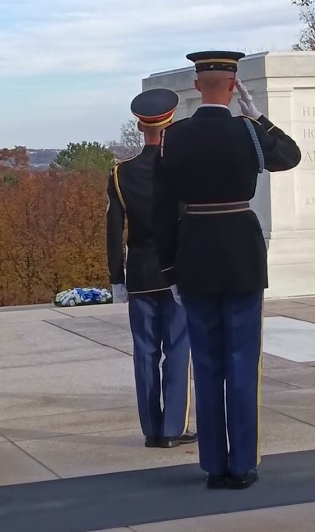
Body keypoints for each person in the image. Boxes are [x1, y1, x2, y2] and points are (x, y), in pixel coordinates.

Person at [152, 52, 302, 490]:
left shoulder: (174, 137)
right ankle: (243, 466)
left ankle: (214, 465)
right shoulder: (248, 133)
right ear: (234, 87)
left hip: (195, 252)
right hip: (241, 253)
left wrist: (170, 269)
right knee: (241, 362)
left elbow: (162, 210)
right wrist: (259, 117)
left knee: (207, 360)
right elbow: (290, 156)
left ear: (197, 87)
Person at [106, 88, 197, 450]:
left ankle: (152, 429)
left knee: (144, 352)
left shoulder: (120, 174)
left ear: (141, 126)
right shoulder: (181, 169)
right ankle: (174, 428)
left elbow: (114, 231)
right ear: (169, 123)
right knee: (177, 349)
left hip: (141, 275)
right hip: (179, 271)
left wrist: (117, 278)